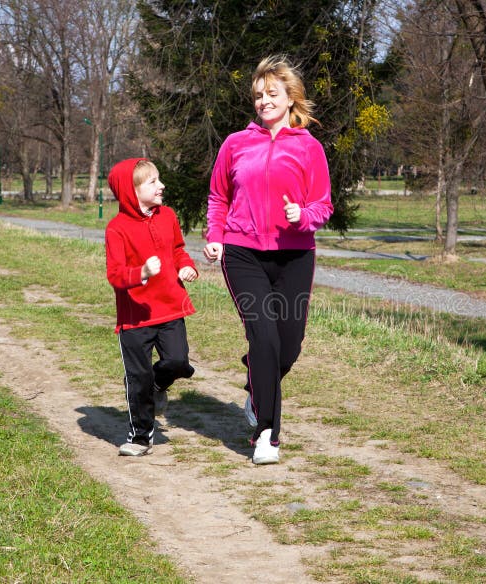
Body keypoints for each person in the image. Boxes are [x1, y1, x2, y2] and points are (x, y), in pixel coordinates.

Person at [203, 55, 333, 465]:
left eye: (271, 94)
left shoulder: (309, 147)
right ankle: (266, 435)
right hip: (243, 253)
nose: (263, 101)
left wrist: (303, 215)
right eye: (258, 95)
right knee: (264, 337)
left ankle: (256, 380)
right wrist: (215, 238)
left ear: (291, 98)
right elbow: (218, 197)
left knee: (287, 347)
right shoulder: (235, 144)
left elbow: (324, 205)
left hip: (295, 254)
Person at [106, 158, 199, 456]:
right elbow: (115, 275)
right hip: (135, 317)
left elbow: (178, 250)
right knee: (138, 379)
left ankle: (158, 386)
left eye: (159, 179)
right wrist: (142, 274)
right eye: (152, 182)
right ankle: (140, 438)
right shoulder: (116, 229)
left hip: (171, 307)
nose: (161, 186)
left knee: (179, 363)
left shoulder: (167, 215)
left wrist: (187, 268)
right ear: (131, 191)